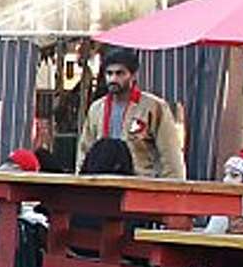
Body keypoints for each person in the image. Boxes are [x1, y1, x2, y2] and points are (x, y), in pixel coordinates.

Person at [76, 48, 185, 180]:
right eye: (109, 74)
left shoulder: (154, 107)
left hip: (140, 184)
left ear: (133, 76)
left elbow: (170, 155)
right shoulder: (96, 109)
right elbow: (85, 151)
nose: (113, 79)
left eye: (120, 73)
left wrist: (172, 190)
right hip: (102, 183)